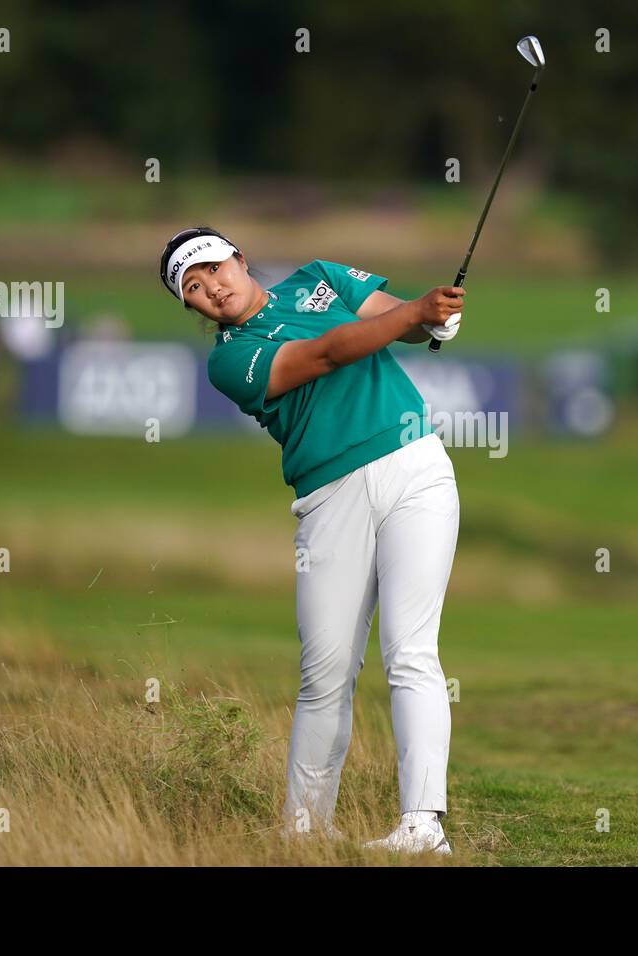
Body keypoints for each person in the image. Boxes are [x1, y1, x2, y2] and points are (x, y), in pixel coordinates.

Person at [157, 226, 465, 854]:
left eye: (214, 269)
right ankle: (302, 831)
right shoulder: (228, 360)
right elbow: (325, 355)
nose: (212, 288)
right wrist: (413, 313)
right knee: (325, 671)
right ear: (189, 306)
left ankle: (422, 826)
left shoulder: (322, 276)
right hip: (330, 498)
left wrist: (432, 323)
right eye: (193, 288)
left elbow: (394, 321)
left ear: (239, 260)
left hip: (415, 467)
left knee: (411, 652)